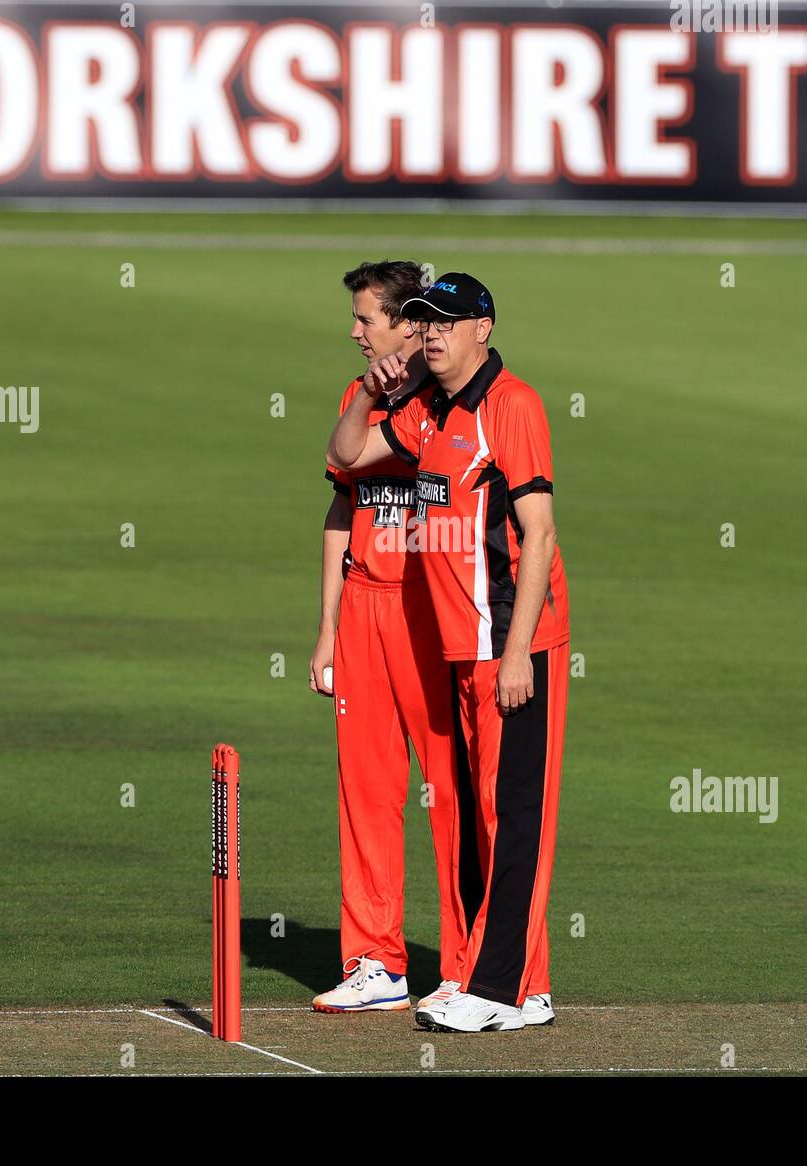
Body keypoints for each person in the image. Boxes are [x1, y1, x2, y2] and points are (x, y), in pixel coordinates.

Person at [326, 273, 569, 1032]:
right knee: (488, 816)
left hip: (510, 643)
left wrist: (522, 647)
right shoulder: (432, 412)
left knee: (515, 815)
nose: (433, 334)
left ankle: (501, 989)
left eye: (449, 322)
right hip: (466, 647)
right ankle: (519, 990)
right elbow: (350, 451)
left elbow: (541, 531)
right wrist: (371, 390)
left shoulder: (512, 404)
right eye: (425, 322)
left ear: (483, 329)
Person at [309, 261, 470, 1013]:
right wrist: (326, 632)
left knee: (449, 792)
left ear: (410, 323)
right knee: (366, 792)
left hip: (432, 613)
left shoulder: (450, 401)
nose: (353, 331)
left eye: (366, 318)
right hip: (365, 612)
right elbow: (340, 512)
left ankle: (469, 964)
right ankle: (377, 962)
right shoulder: (358, 396)